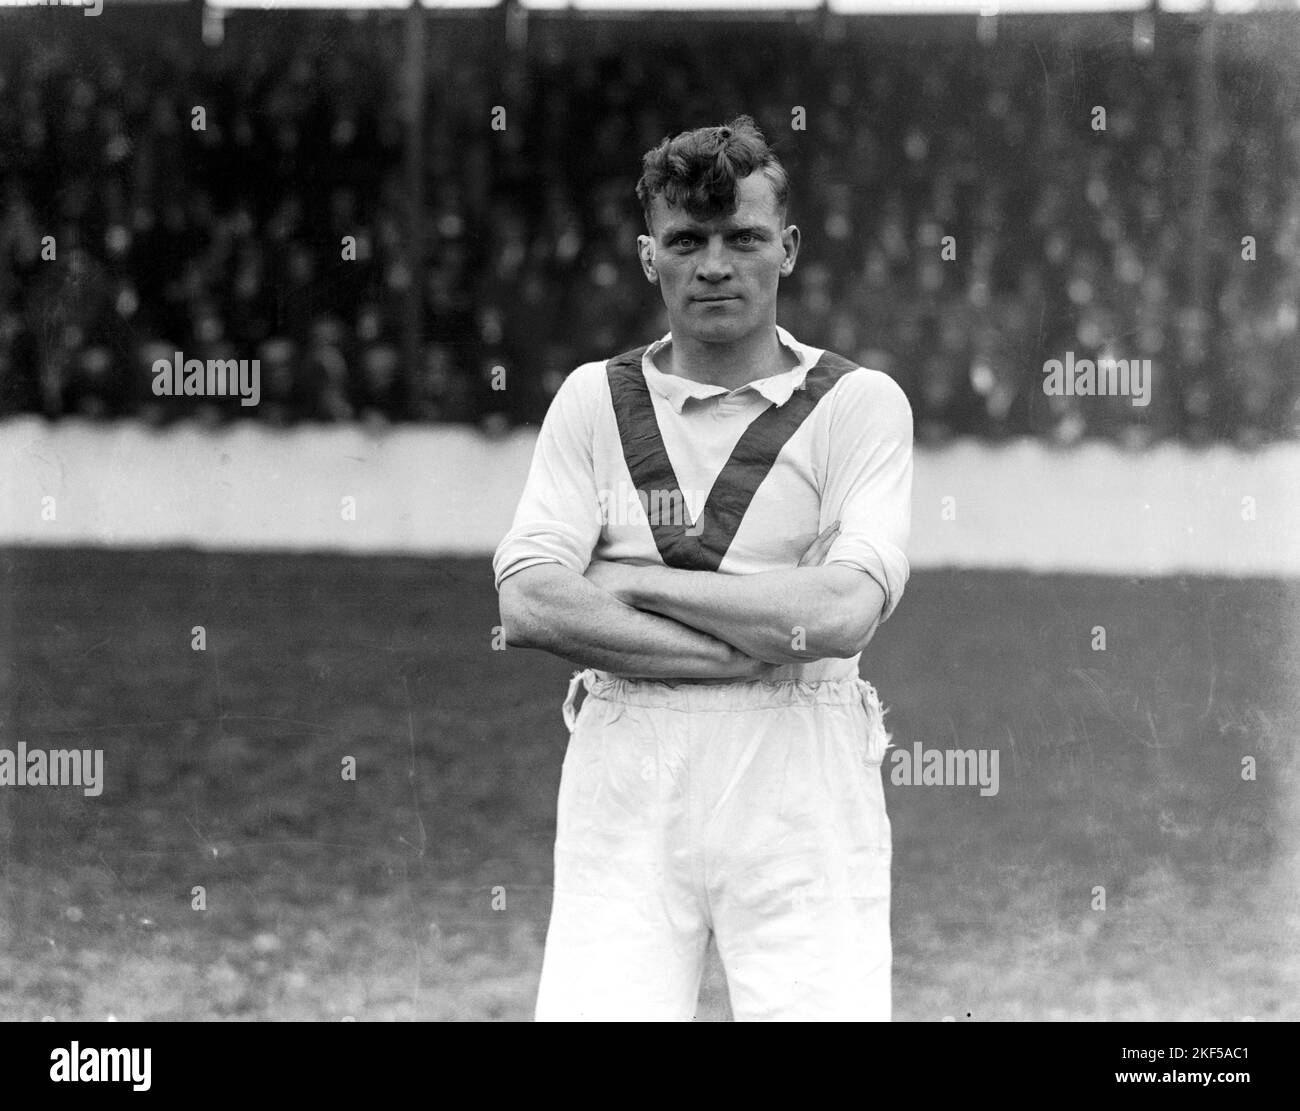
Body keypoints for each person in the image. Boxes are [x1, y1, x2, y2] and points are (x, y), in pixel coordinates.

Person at [494, 117, 913, 1021]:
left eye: (743, 239)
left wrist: (635, 582)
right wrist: (739, 647)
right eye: (687, 240)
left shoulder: (858, 405)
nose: (715, 264)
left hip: (801, 762)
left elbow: (842, 613)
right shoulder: (591, 398)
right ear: (650, 257)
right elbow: (528, 598)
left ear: (788, 248)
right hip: (628, 760)